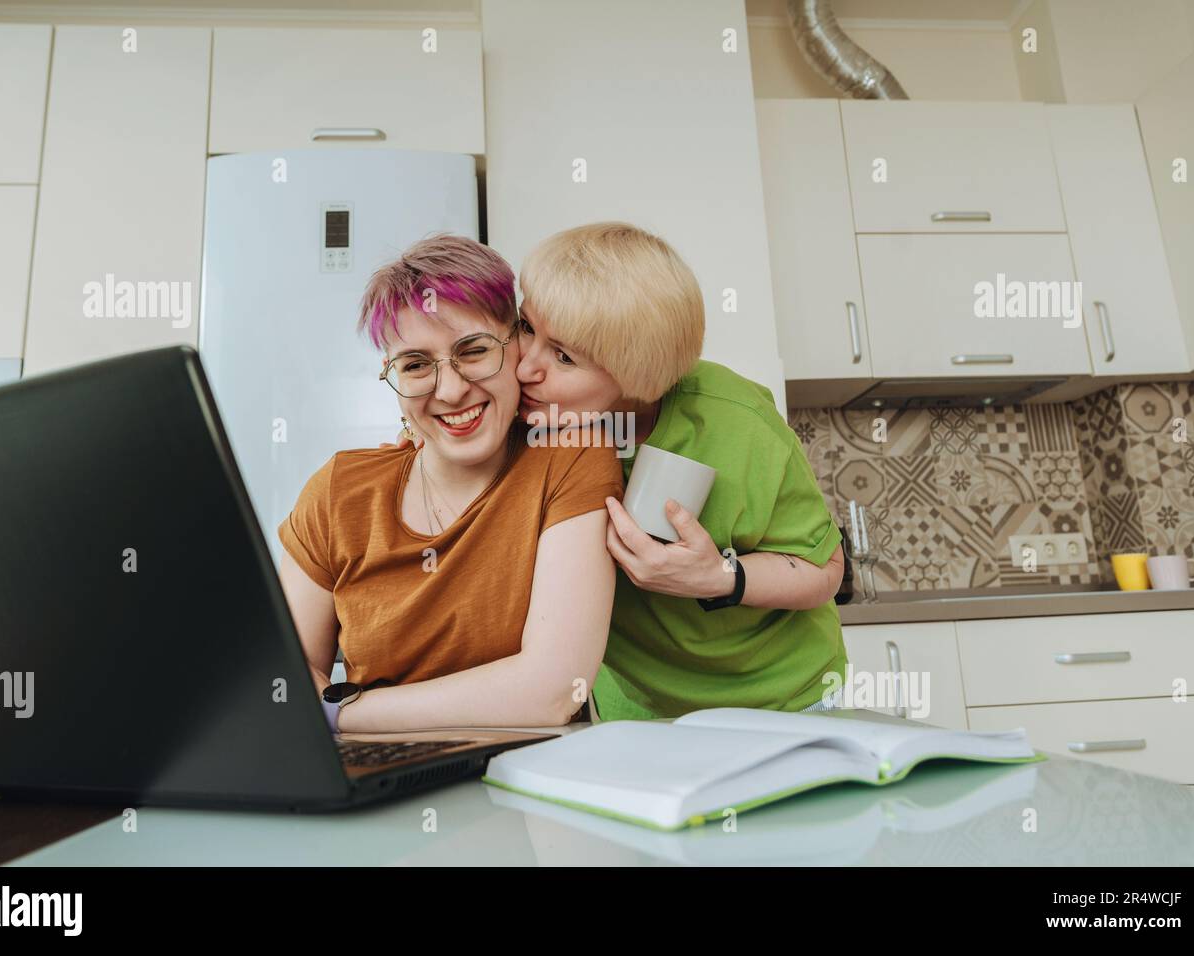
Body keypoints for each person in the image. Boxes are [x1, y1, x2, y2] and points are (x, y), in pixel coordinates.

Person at [276, 235, 623, 733]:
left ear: (517, 344)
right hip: (369, 781)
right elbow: (284, 680)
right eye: (416, 365)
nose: (452, 388)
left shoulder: (569, 458)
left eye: (474, 350)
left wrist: (339, 713)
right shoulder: (338, 491)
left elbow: (552, 691)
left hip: (524, 782)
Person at [514, 222, 846, 719]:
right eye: (525, 327)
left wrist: (718, 577)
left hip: (784, 702)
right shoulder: (526, 424)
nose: (525, 368)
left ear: (633, 375)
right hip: (638, 712)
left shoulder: (736, 420)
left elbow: (825, 570)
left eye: (563, 356)